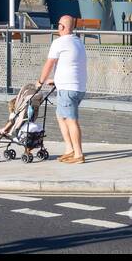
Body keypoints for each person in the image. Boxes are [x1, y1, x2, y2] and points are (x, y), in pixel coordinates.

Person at [37, 15, 88, 164]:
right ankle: (69, 149)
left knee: (71, 120)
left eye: (58, 24)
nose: (57, 27)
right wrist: (55, 80)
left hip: (68, 88)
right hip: (77, 87)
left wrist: (40, 81)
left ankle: (78, 154)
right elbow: (72, 65)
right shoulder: (78, 42)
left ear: (62, 27)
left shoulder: (59, 42)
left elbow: (49, 64)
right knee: (61, 116)